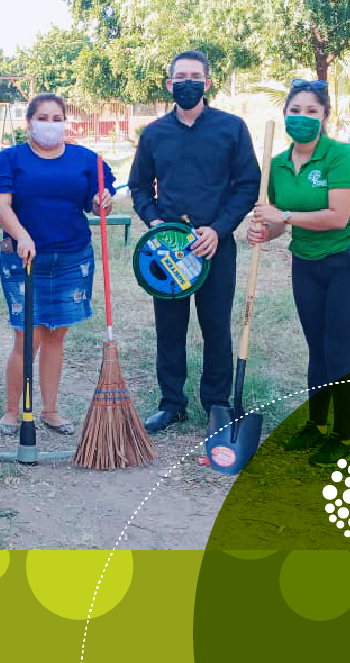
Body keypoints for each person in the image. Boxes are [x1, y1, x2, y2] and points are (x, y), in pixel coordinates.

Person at [247, 79, 350, 464]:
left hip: (349, 263)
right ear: (284, 114)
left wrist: (283, 216)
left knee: (338, 352)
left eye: (312, 111)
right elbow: (277, 223)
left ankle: (343, 438)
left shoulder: (340, 156)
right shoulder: (275, 165)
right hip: (306, 265)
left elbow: (337, 217)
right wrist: (263, 230)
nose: (302, 118)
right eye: (295, 111)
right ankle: (316, 425)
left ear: (325, 116)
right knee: (317, 350)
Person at [128, 50, 261, 434]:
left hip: (214, 245)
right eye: (180, 77)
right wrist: (155, 225)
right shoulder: (154, 134)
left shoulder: (231, 128)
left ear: (207, 82)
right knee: (169, 328)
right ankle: (172, 403)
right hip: (166, 250)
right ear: (169, 84)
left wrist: (219, 230)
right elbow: (139, 186)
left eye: (195, 76)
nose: (188, 83)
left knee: (215, 326)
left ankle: (217, 404)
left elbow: (247, 185)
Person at [0, 93, 115, 435]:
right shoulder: (9, 160)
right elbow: (0, 206)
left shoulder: (88, 161)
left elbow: (97, 202)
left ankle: (51, 411)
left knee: (56, 335)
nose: (50, 125)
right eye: (43, 118)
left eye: (58, 118)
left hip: (72, 258)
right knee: (27, 337)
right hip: (24, 257)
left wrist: (103, 201)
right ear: (29, 122)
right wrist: (22, 235)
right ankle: (13, 410)